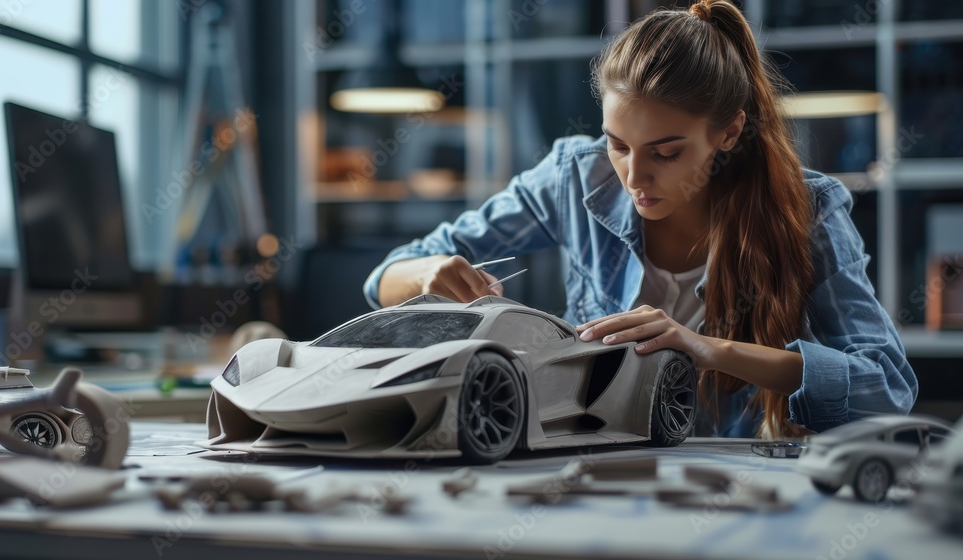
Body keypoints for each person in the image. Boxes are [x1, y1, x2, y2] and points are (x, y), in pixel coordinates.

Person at [362, 0, 917, 439]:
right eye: (618, 145)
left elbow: (887, 386)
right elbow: (385, 278)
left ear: (727, 133)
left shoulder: (809, 209)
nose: (634, 177)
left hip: (747, 485)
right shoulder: (575, 178)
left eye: (666, 152)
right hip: (595, 476)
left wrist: (711, 350)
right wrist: (429, 272)